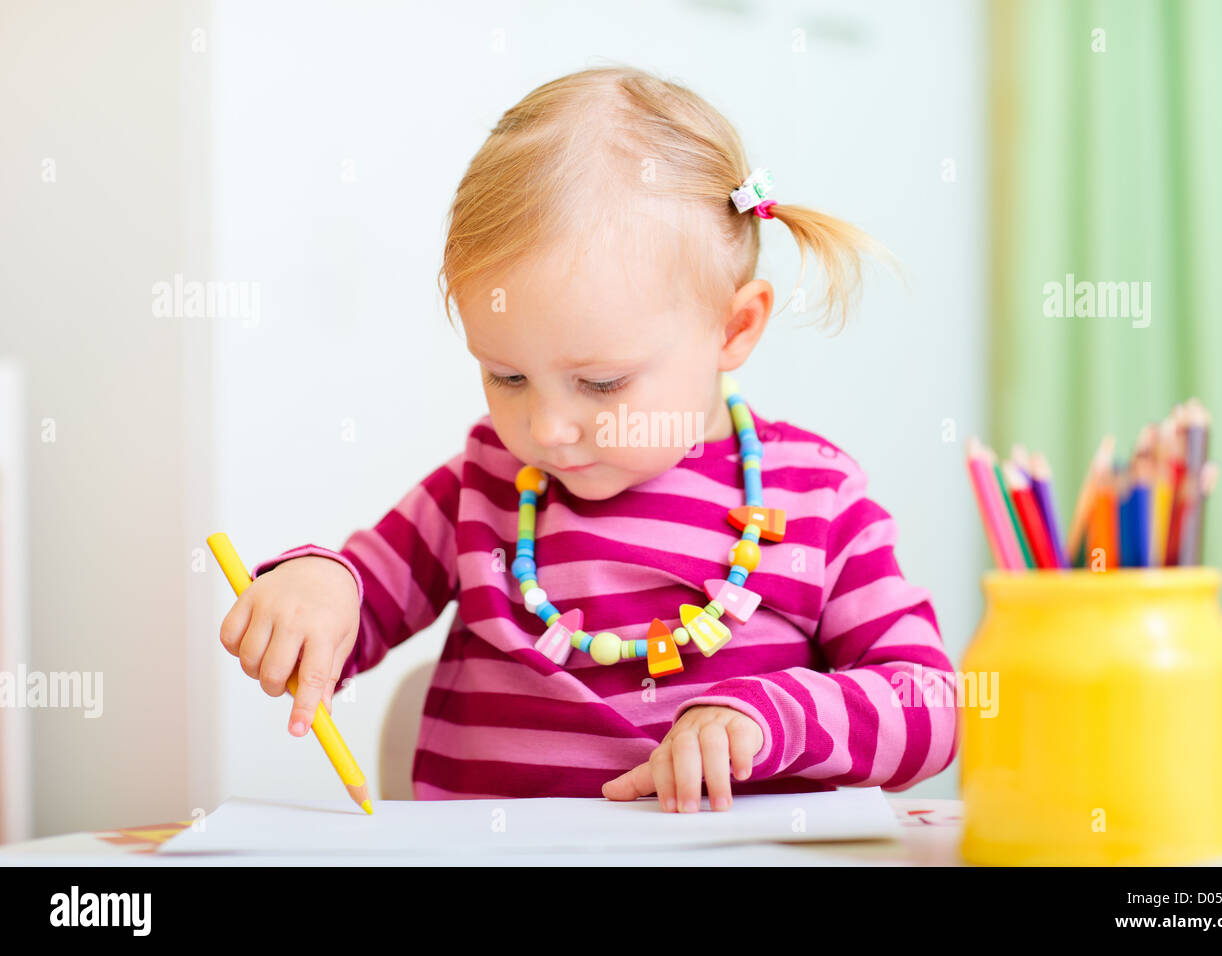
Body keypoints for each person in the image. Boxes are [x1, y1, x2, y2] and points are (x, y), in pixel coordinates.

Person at [219, 65, 957, 813]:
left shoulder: (816, 497)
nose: (548, 428)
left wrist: (772, 719)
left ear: (734, 328)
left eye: (602, 384)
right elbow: (363, 603)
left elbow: (929, 703)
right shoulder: (487, 484)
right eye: (507, 377)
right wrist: (321, 589)